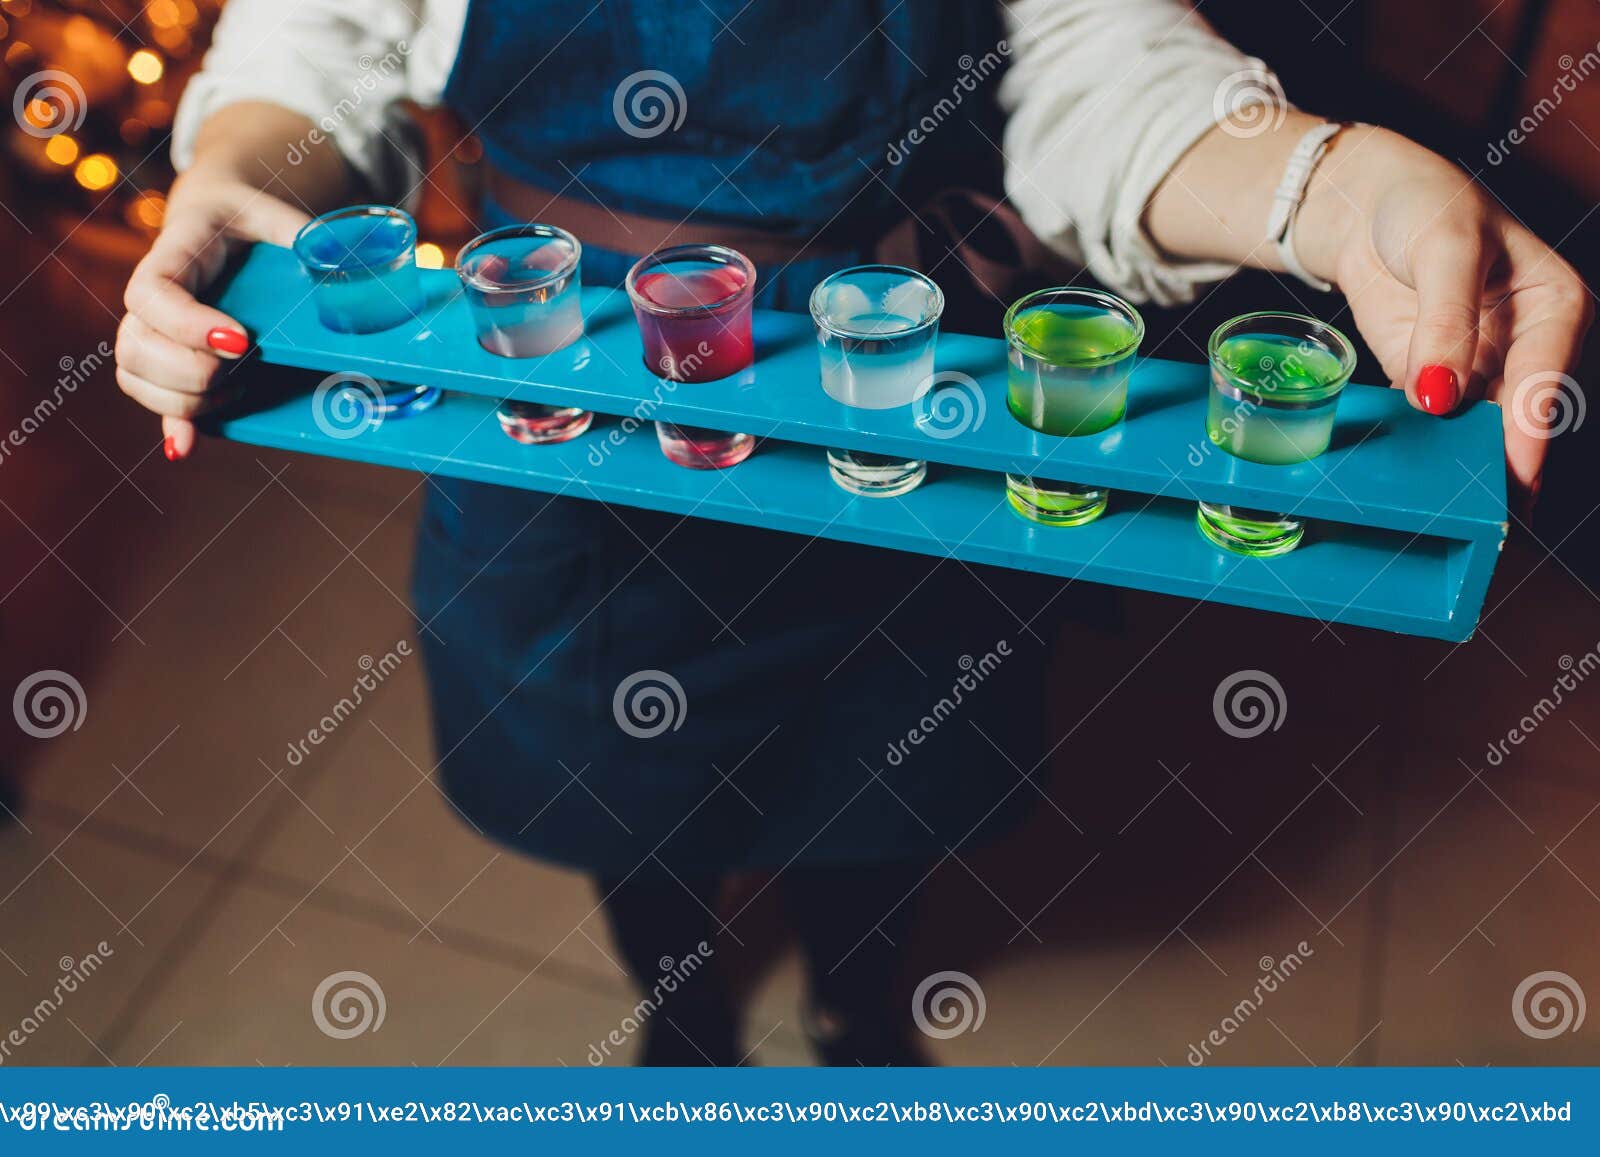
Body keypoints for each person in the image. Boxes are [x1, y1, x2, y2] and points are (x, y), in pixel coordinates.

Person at [115, 0, 1590, 1065]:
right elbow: (312, 52)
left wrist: (1333, 189)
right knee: (633, 807)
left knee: (879, 795)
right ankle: (685, 1014)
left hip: (905, 433)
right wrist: (240, 174)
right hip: (563, 457)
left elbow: (1106, 67)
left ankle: (859, 1010)